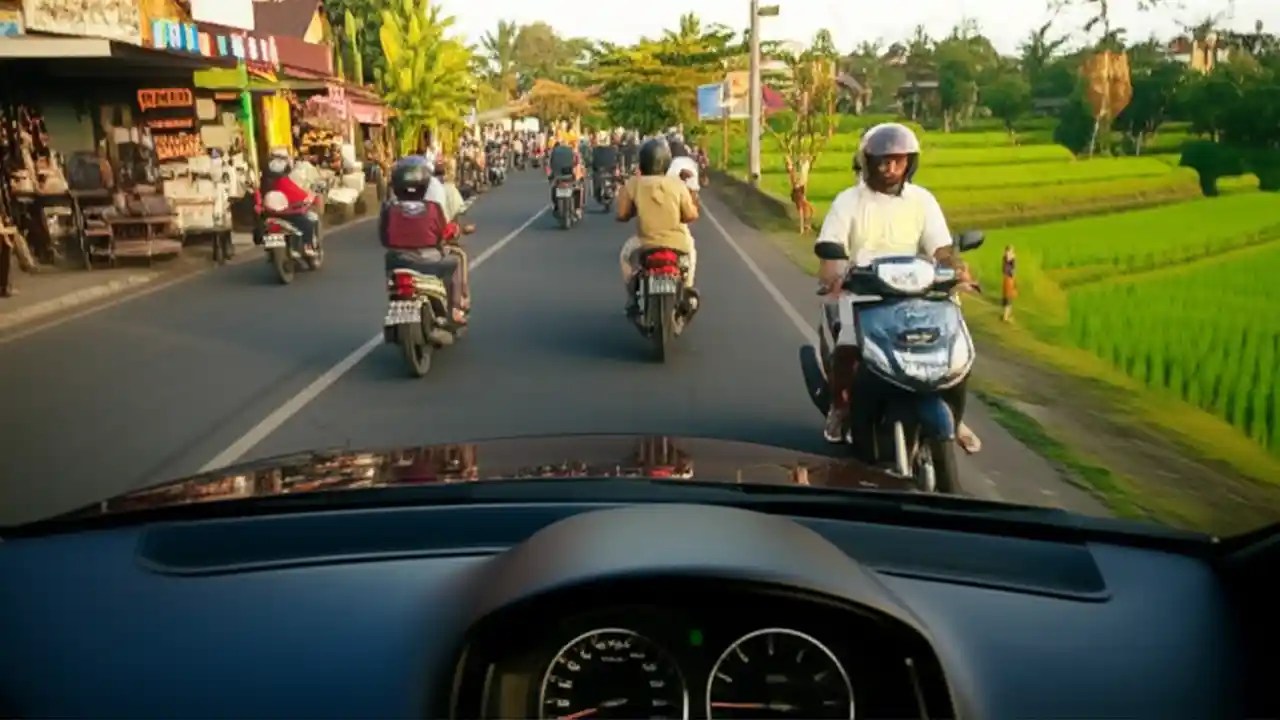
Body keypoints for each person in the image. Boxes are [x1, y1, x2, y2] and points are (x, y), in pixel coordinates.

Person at [813, 122, 980, 452]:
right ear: (868, 162)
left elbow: (940, 248)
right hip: (863, 291)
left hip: (917, 290)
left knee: (953, 345)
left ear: (909, 163)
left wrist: (958, 270)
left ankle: (954, 416)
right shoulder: (848, 201)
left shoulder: (922, 200)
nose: (890, 168)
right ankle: (841, 407)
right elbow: (831, 244)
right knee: (848, 346)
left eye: (898, 161)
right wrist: (833, 274)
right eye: (883, 161)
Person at [615, 138, 699, 316]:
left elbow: (622, 214)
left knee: (624, 256)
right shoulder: (677, 184)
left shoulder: (634, 183)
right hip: (678, 242)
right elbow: (691, 215)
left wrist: (632, 212)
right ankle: (687, 290)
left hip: (645, 243)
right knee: (691, 253)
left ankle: (633, 293)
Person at [380, 156, 467, 324]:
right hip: (429, 260)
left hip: (397, 260)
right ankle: (454, 310)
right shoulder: (433, 208)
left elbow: (383, 237)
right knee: (454, 263)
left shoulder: (389, 208)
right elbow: (442, 234)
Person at [260, 150, 320, 250]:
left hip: (270, 213)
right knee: (308, 223)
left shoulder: (266, 183)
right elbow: (298, 195)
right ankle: (307, 246)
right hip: (288, 213)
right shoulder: (284, 182)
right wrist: (309, 199)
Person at [546, 140, 585, 219]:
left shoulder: (554, 154)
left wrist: (551, 176)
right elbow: (577, 164)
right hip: (569, 177)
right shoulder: (572, 153)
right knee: (577, 189)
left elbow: (550, 165)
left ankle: (559, 207)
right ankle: (577, 209)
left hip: (559, 177)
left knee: (555, 189)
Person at [590, 133, 621, 202]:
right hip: (608, 171)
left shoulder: (596, 150)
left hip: (602, 171)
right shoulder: (613, 149)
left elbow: (591, 161)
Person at [1002, 245, 1017, 323]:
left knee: (1009, 298)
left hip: (1008, 279)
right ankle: (1006, 317)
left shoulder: (1006, 259)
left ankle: (1007, 315)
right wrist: (1012, 259)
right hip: (1008, 280)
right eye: (1010, 251)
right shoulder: (1007, 259)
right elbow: (1011, 271)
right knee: (1008, 299)